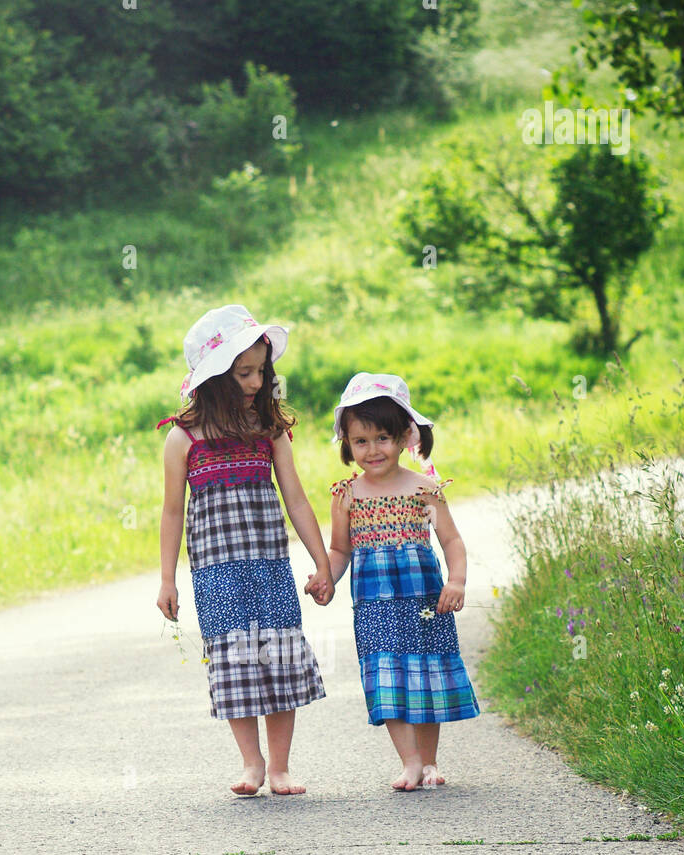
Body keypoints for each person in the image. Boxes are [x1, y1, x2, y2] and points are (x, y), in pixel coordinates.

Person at [157, 303, 334, 796]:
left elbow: (295, 497)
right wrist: (167, 578)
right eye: (244, 373)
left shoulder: (269, 432)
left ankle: (280, 767)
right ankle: (251, 764)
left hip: (271, 568)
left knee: (279, 658)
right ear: (215, 377)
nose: (257, 382)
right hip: (215, 573)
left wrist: (322, 561)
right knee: (235, 665)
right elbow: (172, 512)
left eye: (261, 371)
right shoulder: (183, 438)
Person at [311, 372, 480, 790]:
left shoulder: (424, 490)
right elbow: (340, 550)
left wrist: (456, 581)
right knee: (386, 677)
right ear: (347, 444)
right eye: (361, 441)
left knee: (426, 676)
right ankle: (409, 762)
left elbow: (452, 539)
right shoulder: (346, 495)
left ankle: (429, 763)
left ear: (406, 436)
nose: (372, 450)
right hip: (374, 605)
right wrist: (325, 579)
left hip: (424, 601)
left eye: (382, 438)